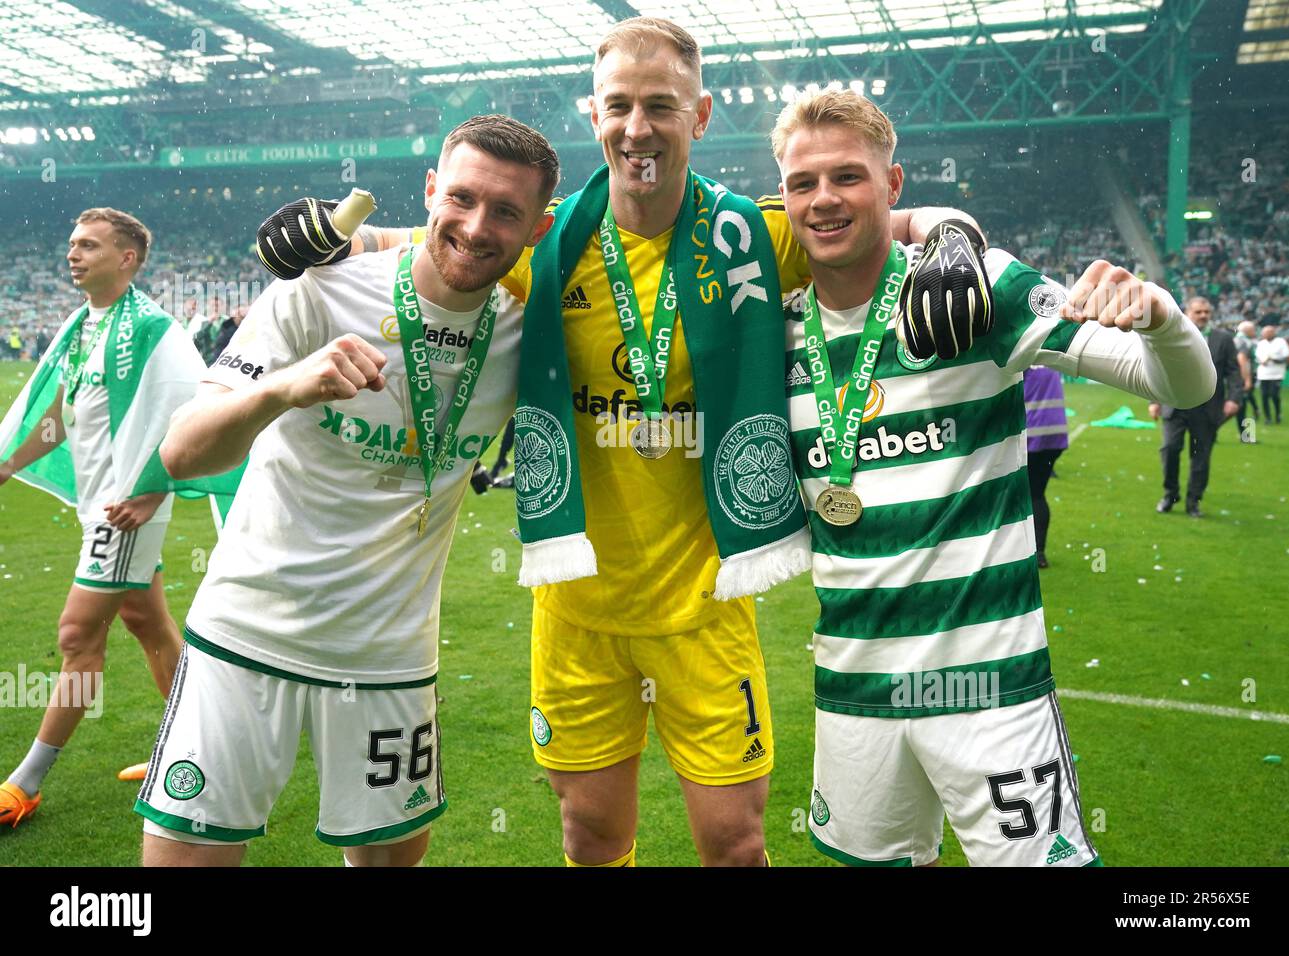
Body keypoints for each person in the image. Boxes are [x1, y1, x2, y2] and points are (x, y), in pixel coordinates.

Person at [252, 18, 990, 867]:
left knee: (736, 843)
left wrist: (953, 232)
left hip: (705, 606)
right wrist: (328, 237)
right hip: (577, 609)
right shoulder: (546, 239)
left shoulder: (756, 233)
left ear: (701, 115)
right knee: (593, 836)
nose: (638, 128)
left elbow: (879, 217)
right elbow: (441, 244)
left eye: (661, 107)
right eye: (619, 106)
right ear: (593, 113)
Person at [772, 90, 1214, 866]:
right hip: (852, 690)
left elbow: (1183, 388)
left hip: (990, 692)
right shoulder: (773, 328)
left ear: (894, 184)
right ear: (782, 198)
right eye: (803, 183)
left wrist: (1160, 316)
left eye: (848, 176)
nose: (824, 198)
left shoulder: (970, 288)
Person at [136, 115, 557, 866]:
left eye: (505, 212)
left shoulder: (532, 330)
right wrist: (285, 391)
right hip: (246, 632)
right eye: (459, 198)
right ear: (430, 191)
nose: (474, 225)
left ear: (538, 229)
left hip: (389, 658)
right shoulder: (319, 293)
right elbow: (182, 452)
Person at [0, 209, 200, 828]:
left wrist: (154, 489)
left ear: (127, 258)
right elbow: (61, 418)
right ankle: (191, 748)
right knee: (148, 622)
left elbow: (190, 408)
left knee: (75, 638)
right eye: (71, 244)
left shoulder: (153, 328)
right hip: (103, 508)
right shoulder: (82, 328)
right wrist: (8, 464)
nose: (73, 254)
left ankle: (25, 782)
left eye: (88, 245)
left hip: (126, 511)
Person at [1150, 297, 1242, 518]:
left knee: (1200, 457)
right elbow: (1156, 368)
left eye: (1206, 312)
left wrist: (1234, 398)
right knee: (1170, 450)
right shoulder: (1172, 334)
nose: (1203, 315)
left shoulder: (1223, 339)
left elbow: (1234, 371)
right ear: (1187, 313)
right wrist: (1153, 400)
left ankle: (1194, 503)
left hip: (1207, 408)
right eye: (1198, 312)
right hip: (1174, 404)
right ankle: (1170, 495)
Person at [1024, 366, 1069, 568]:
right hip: (1055, 435)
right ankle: (1039, 552)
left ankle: (1030, 551)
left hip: (1032, 435)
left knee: (1028, 495)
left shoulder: (1021, 356)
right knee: (1037, 494)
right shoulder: (1050, 354)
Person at [1254, 325, 1288, 424]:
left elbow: (1285, 357)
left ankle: (1278, 413)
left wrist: (1272, 358)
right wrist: (1262, 361)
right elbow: (1258, 357)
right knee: (1264, 396)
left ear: (1273, 333)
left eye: (1268, 332)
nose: (1265, 334)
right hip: (1263, 374)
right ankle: (1267, 417)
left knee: (1274, 395)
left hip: (1277, 374)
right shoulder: (1261, 343)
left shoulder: (1280, 342)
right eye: (1264, 333)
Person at [1234, 320, 1258, 440]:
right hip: (1241, 377)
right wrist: (1247, 379)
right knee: (1240, 406)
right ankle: (1245, 436)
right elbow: (1242, 359)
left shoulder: (1236, 340)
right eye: (1253, 329)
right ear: (1246, 330)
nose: (1255, 331)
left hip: (1235, 377)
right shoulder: (1244, 342)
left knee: (1239, 405)